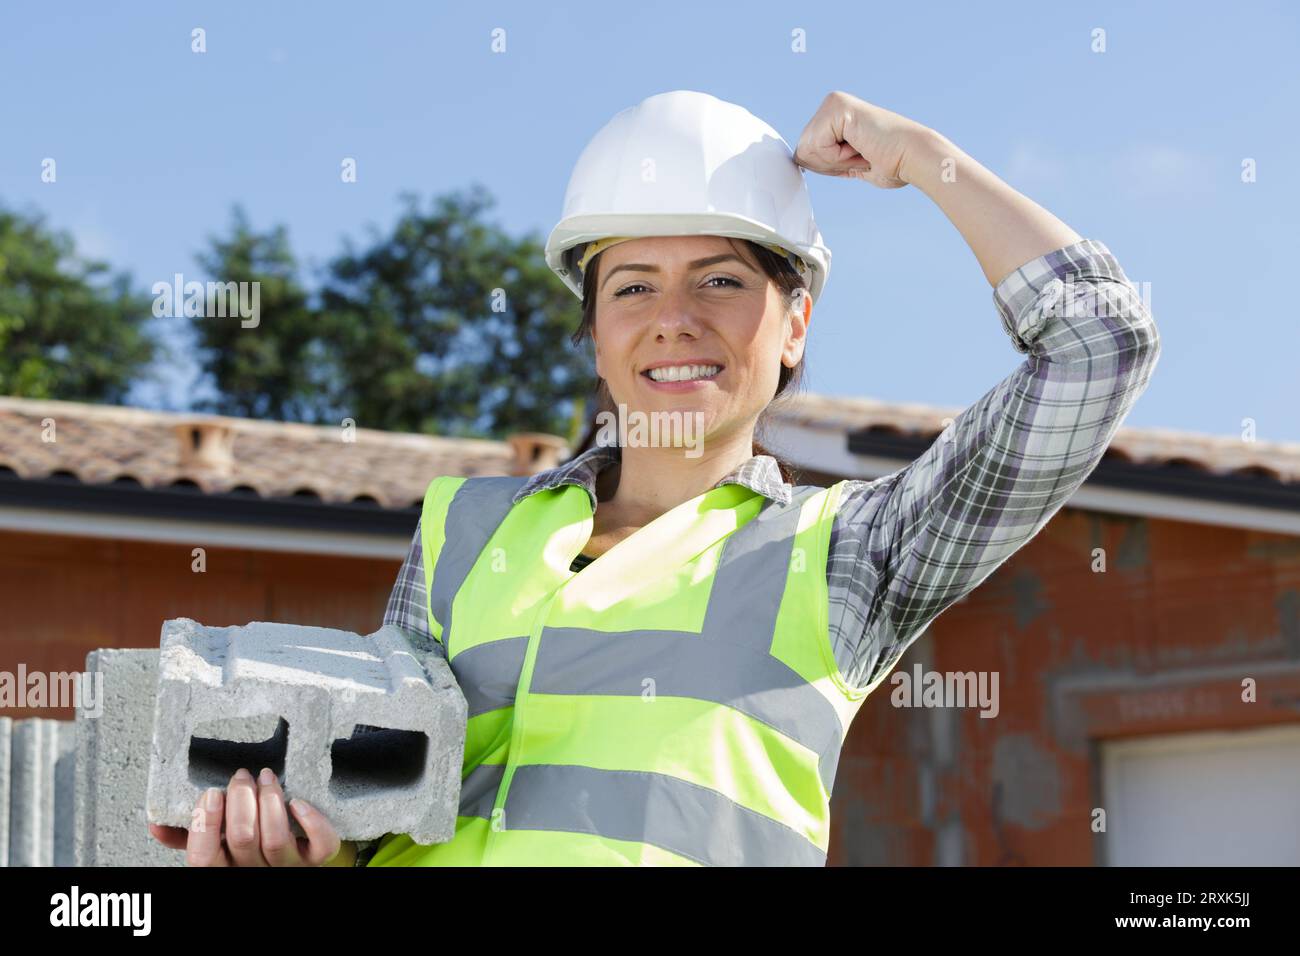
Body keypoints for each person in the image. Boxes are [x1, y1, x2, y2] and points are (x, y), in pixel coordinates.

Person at [151, 89, 1160, 866]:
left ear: (794, 323)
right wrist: (288, 846)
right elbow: (378, 802)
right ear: (595, 334)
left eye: (721, 279)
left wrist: (923, 157)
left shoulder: (847, 551)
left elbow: (1096, 346)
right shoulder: (465, 525)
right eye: (633, 286)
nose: (674, 317)